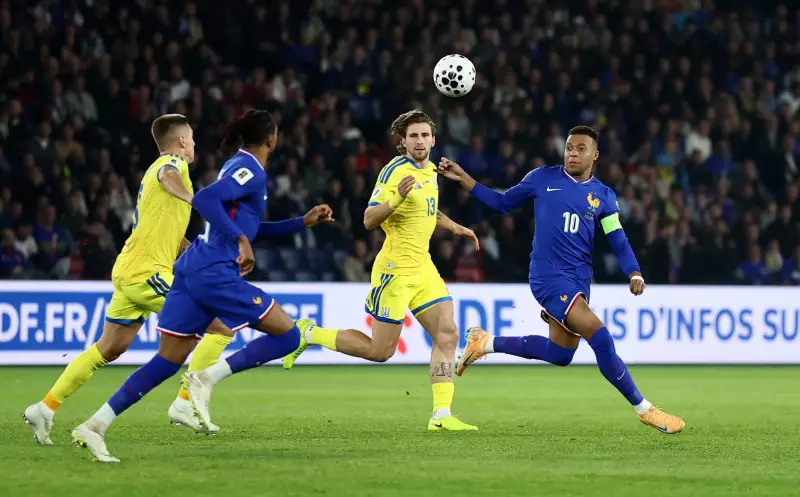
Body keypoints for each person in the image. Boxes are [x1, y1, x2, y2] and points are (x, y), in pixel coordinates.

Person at [70, 109, 334, 462]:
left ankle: (95, 425)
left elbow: (252, 227)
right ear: (271, 139)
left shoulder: (238, 168)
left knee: (166, 361)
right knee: (288, 336)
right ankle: (206, 378)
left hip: (190, 271)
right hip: (215, 273)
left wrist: (301, 222)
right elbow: (208, 200)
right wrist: (240, 239)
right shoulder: (250, 169)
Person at [438, 125, 685, 435]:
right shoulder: (542, 178)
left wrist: (634, 271)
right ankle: (645, 409)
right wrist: (464, 179)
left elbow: (618, 239)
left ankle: (485, 342)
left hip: (579, 281)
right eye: (569, 147)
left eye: (581, 149)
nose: (572, 153)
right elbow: (501, 203)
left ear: (594, 155)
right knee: (601, 338)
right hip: (548, 276)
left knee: (560, 354)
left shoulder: (604, 196)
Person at [23, 114, 231, 442]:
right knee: (221, 324)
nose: (193, 144)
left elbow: (173, 239)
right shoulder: (172, 165)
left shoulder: (156, 179)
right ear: (179, 141)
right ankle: (185, 403)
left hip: (128, 271)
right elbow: (168, 175)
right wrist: (195, 199)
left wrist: (203, 256)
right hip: (149, 273)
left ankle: (45, 408)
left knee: (110, 347)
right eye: (190, 138)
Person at [282, 109, 480, 431]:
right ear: (403, 141)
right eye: (413, 136)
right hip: (395, 271)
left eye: (424, 135)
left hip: (423, 269)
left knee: (448, 333)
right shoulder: (393, 172)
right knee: (380, 350)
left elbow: (428, 209)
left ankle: (441, 416)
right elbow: (369, 218)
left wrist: (455, 227)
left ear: (433, 139)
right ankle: (309, 333)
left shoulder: (430, 169)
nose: (419, 141)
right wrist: (396, 200)